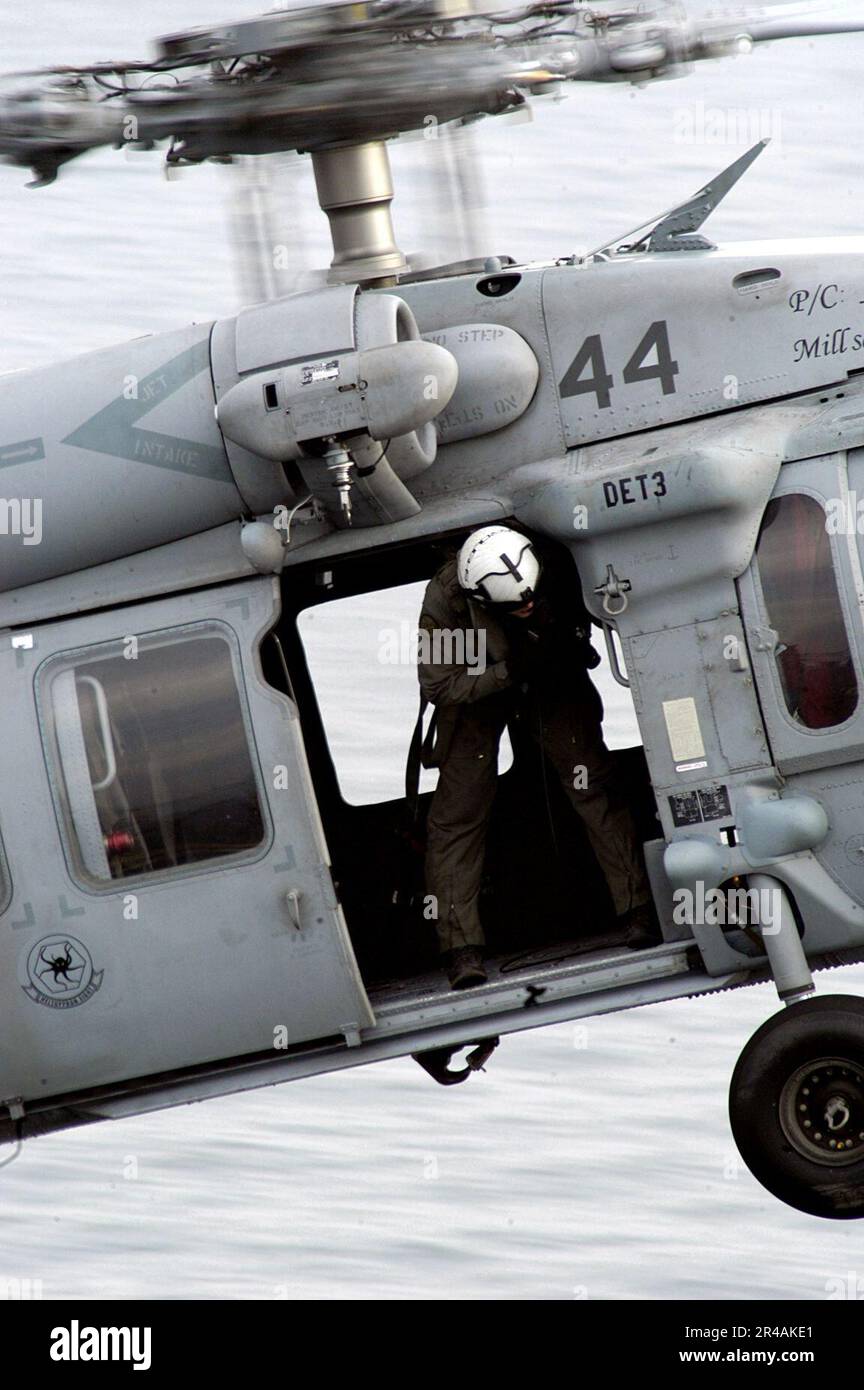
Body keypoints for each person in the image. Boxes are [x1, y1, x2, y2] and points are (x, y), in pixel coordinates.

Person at [416, 524, 658, 990]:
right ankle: (460, 947)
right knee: (456, 816)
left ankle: (638, 908)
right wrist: (509, 670)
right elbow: (439, 684)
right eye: (513, 605)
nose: (525, 606)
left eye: (530, 598)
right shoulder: (445, 600)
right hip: (476, 690)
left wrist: (560, 639)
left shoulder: (558, 563)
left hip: (553, 677)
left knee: (592, 785)